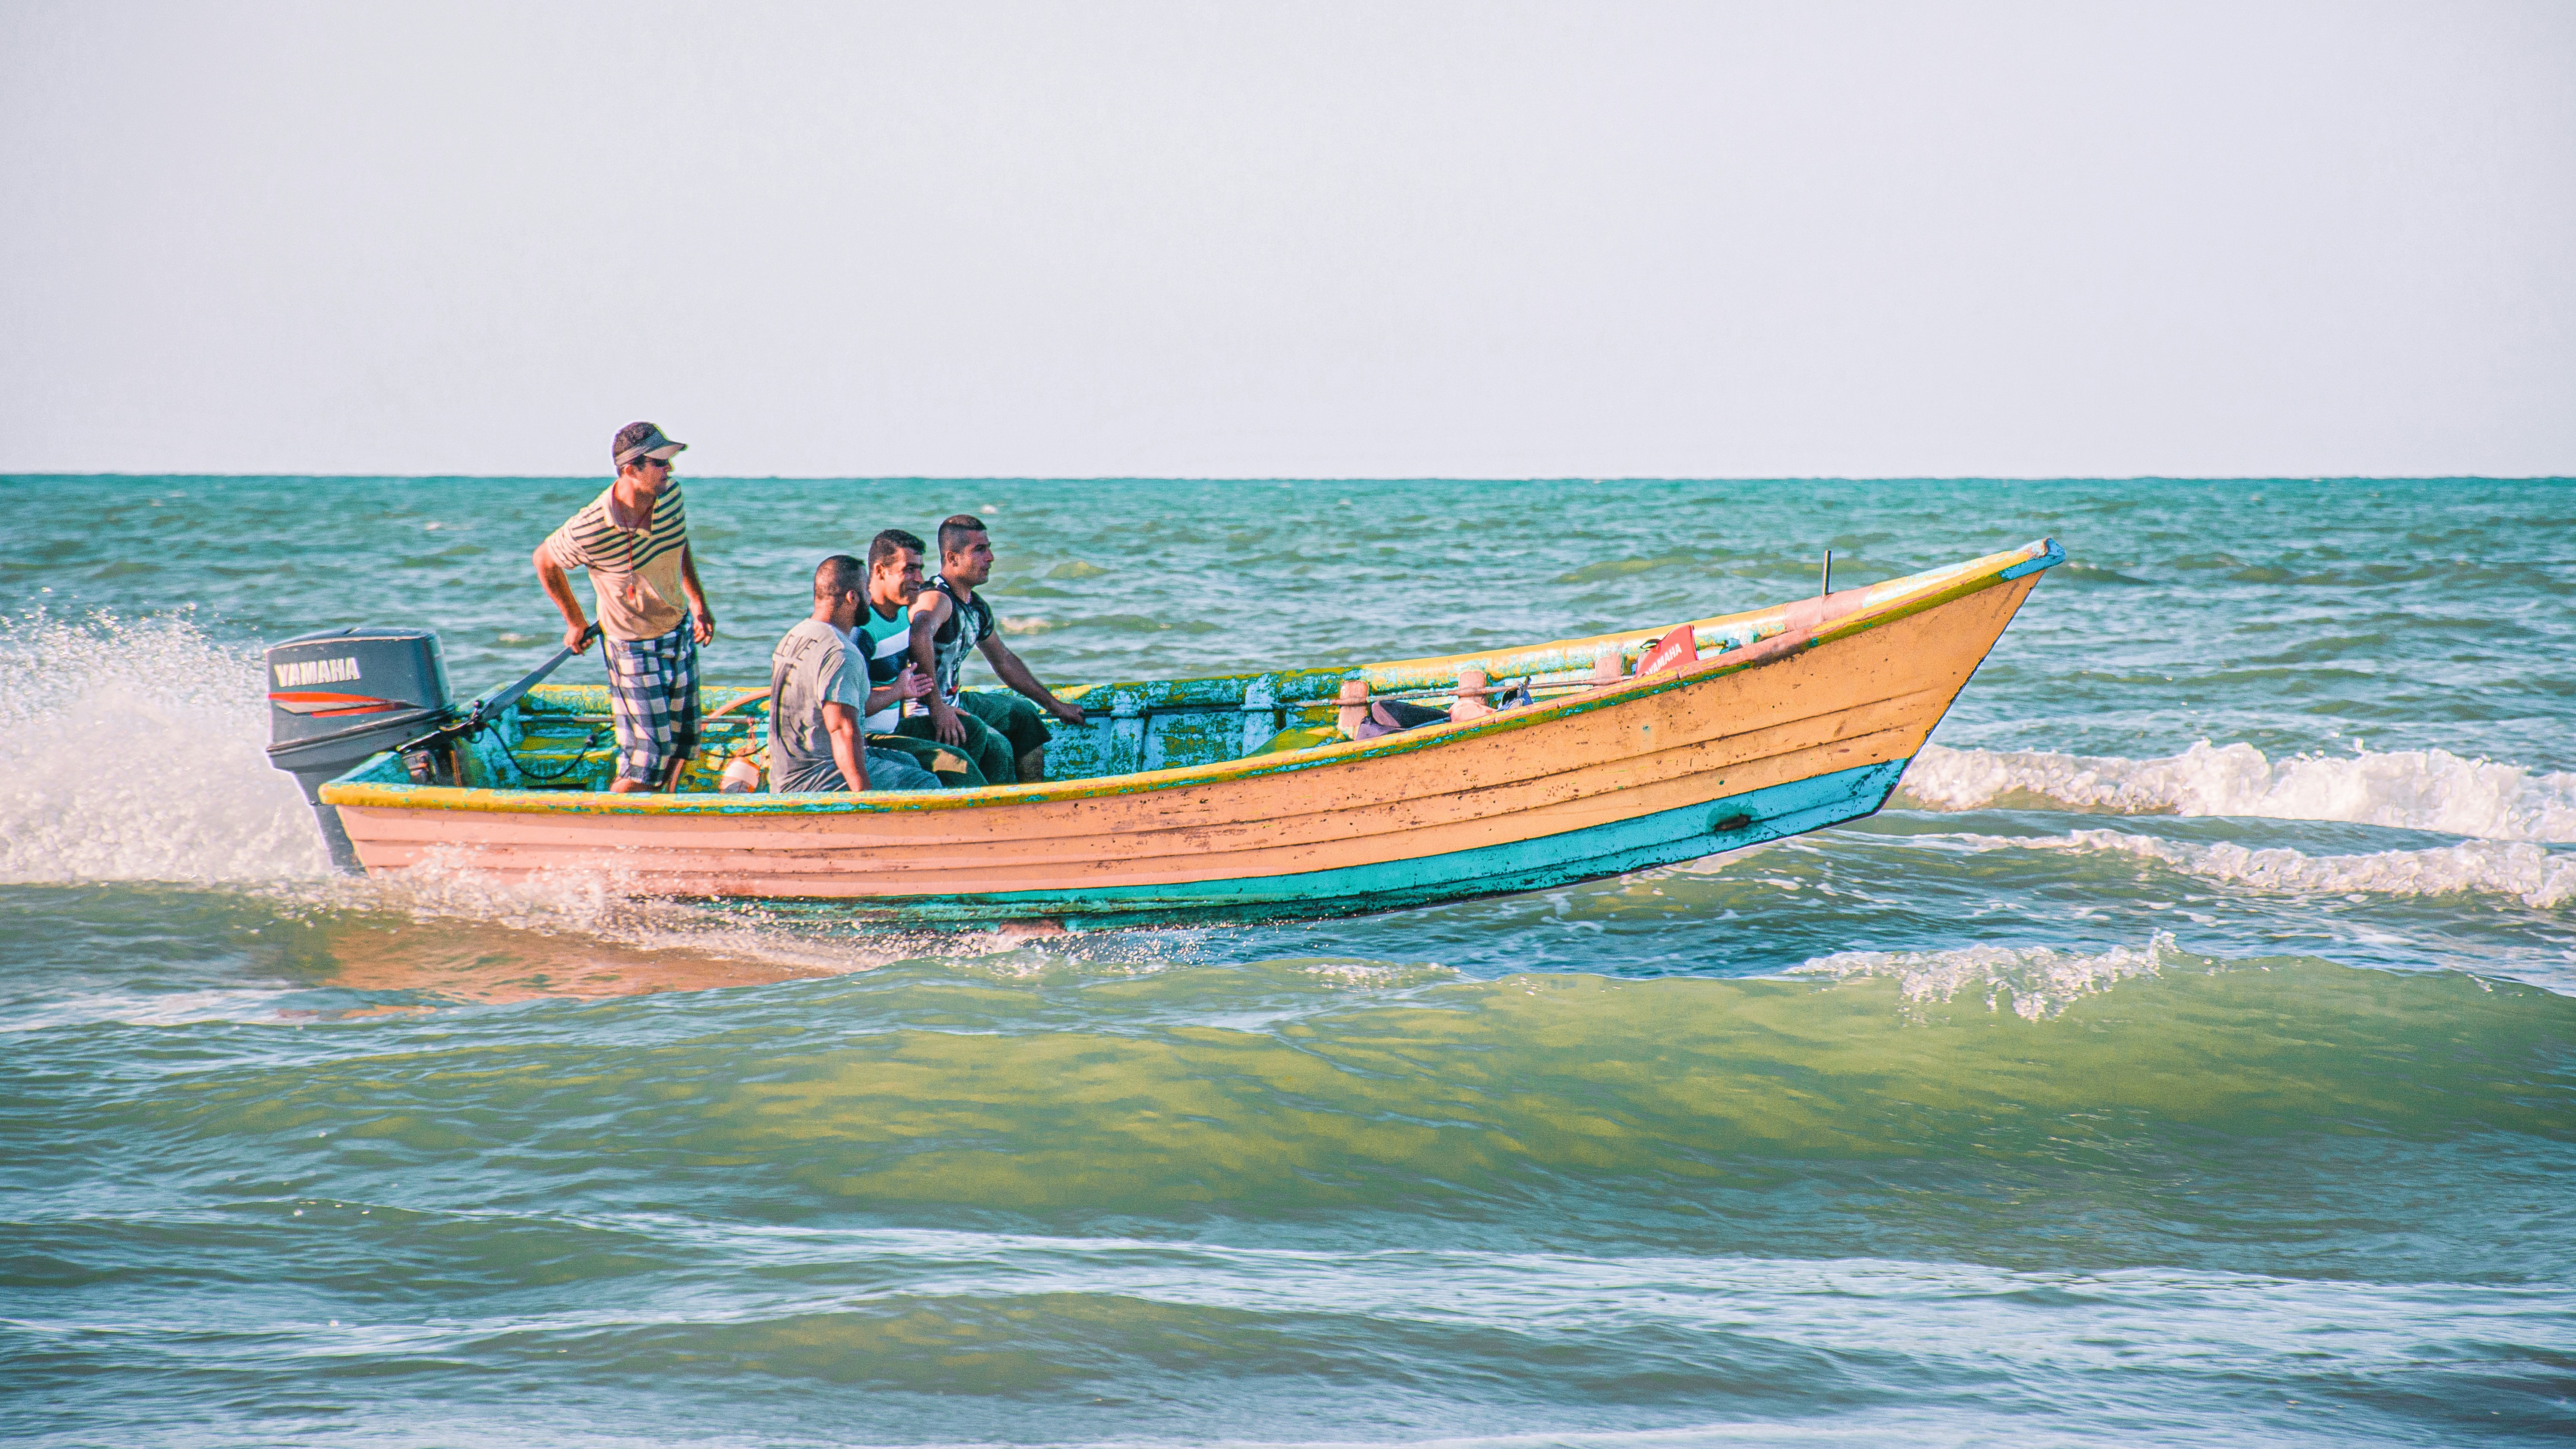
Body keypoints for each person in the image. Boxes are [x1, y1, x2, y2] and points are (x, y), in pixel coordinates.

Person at [534, 421, 715, 793]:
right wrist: (575, 621)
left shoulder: (672, 497)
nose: (670, 470)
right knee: (647, 757)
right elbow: (545, 561)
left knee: (684, 742)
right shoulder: (590, 526)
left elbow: (678, 545)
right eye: (660, 463)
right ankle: (610, 826)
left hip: (678, 630)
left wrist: (697, 601)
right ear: (631, 469)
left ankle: (655, 819)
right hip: (631, 645)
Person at [904, 514, 1087, 783]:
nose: (990, 558)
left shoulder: (976, 607)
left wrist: (1055, 706)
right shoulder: (937, 598)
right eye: (979, 550)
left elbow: (1003, 661)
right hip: (920, 712)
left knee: (1022, 714)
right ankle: (1002, 817)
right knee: (997, 746)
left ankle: (1032, 802)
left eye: (988, 548)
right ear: (953, 558)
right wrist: (937, 708)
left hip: (955, 703)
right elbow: (919, 634)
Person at [769, 556, 940, 793]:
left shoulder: (794, 637)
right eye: (866, 592)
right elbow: (843, 730)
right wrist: (864, 799)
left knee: (910, 763)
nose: (870, 599)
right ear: (852, 597)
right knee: (925, 783)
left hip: (784, 775)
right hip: (820, 779)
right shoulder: (841, 652)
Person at [849, 529, 992, 788]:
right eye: (909, 569)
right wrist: (898, 691)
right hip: (869, 739)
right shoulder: (862, 630)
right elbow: (849, 708)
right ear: (881, 571)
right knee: (955, 762)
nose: (920, 579)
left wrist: (939, 707)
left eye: (921, 569)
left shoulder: (905, 614)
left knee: (974, 732)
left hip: (897, 728)